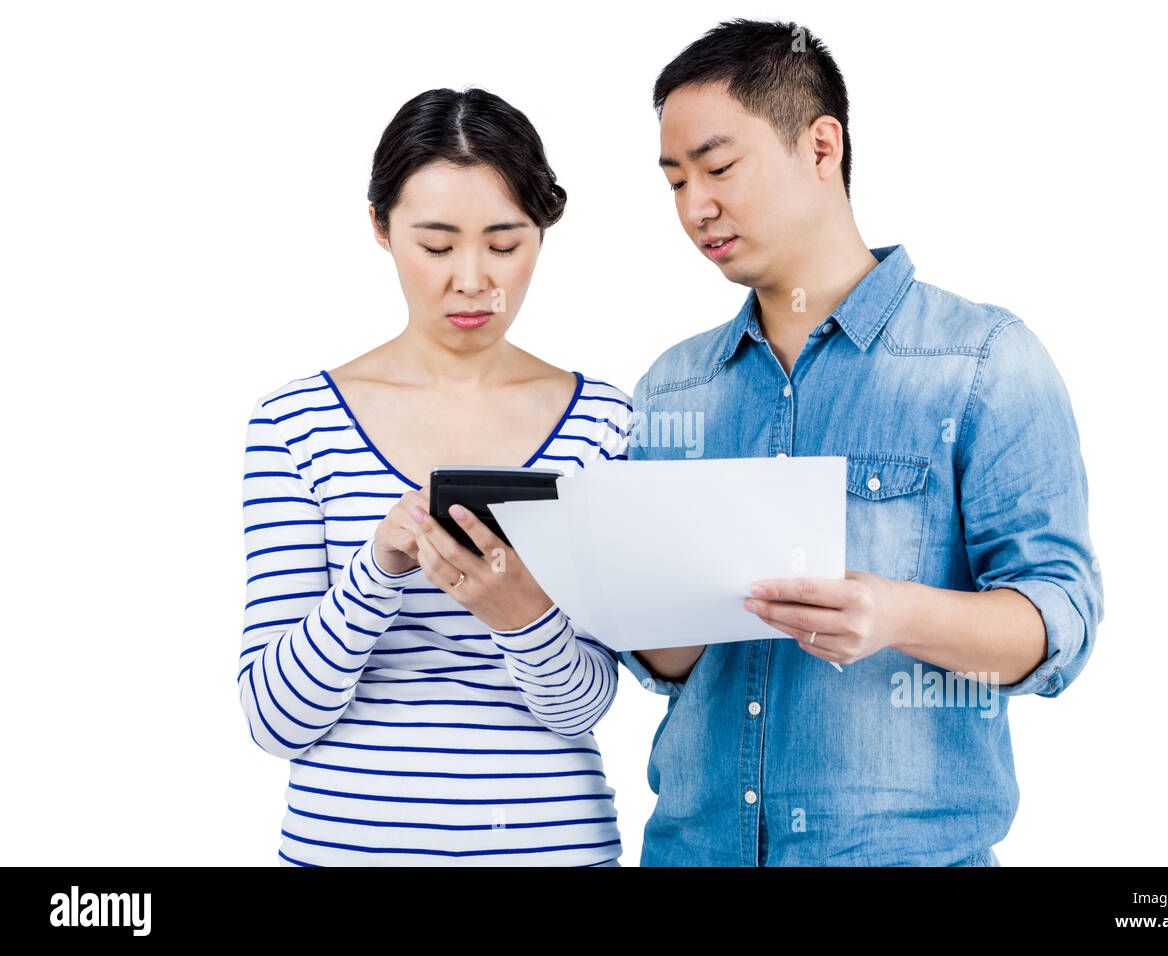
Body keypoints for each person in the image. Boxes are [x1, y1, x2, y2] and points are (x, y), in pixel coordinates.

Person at [619, 19, 1104, 866]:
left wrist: (897, 615)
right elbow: (670, 662)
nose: (697, 207)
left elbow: (1059, 622)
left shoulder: (981, 361)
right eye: (674, 182)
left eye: (719, 167)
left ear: (820, 146)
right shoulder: (672, 388)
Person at [238, 87, 630, 866]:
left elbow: (588, 703)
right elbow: (274, 720)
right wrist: (376, 570)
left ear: (543, 233)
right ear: (381, 230)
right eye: (438, 244)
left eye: (506, 243)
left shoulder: (608, 424)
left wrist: (519, 614)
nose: (474, 280)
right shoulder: (293, 424)